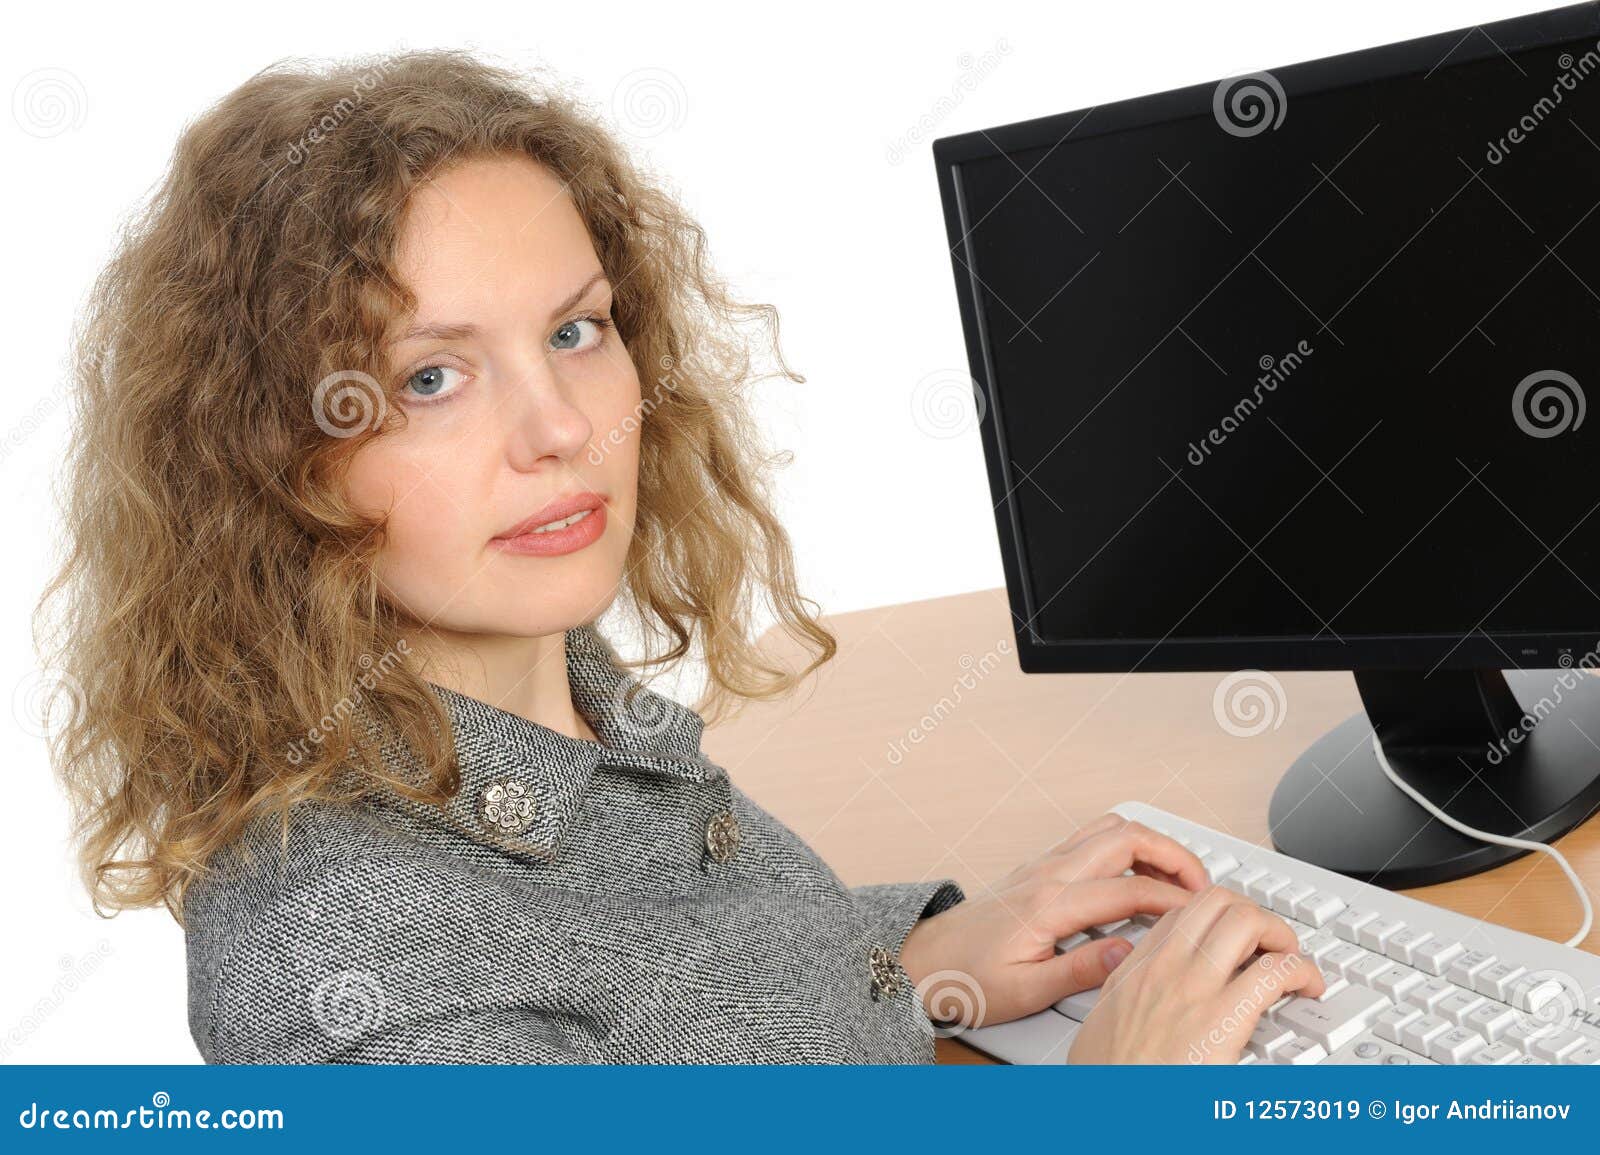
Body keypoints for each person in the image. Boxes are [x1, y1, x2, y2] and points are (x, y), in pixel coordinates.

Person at [38, 48, 1322, 1064]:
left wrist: (917, 956)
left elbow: (675, 997)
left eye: (578, 330)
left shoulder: (569, 706)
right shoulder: (351, 979)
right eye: (429, 377)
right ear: (275, 458)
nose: (560, 429)